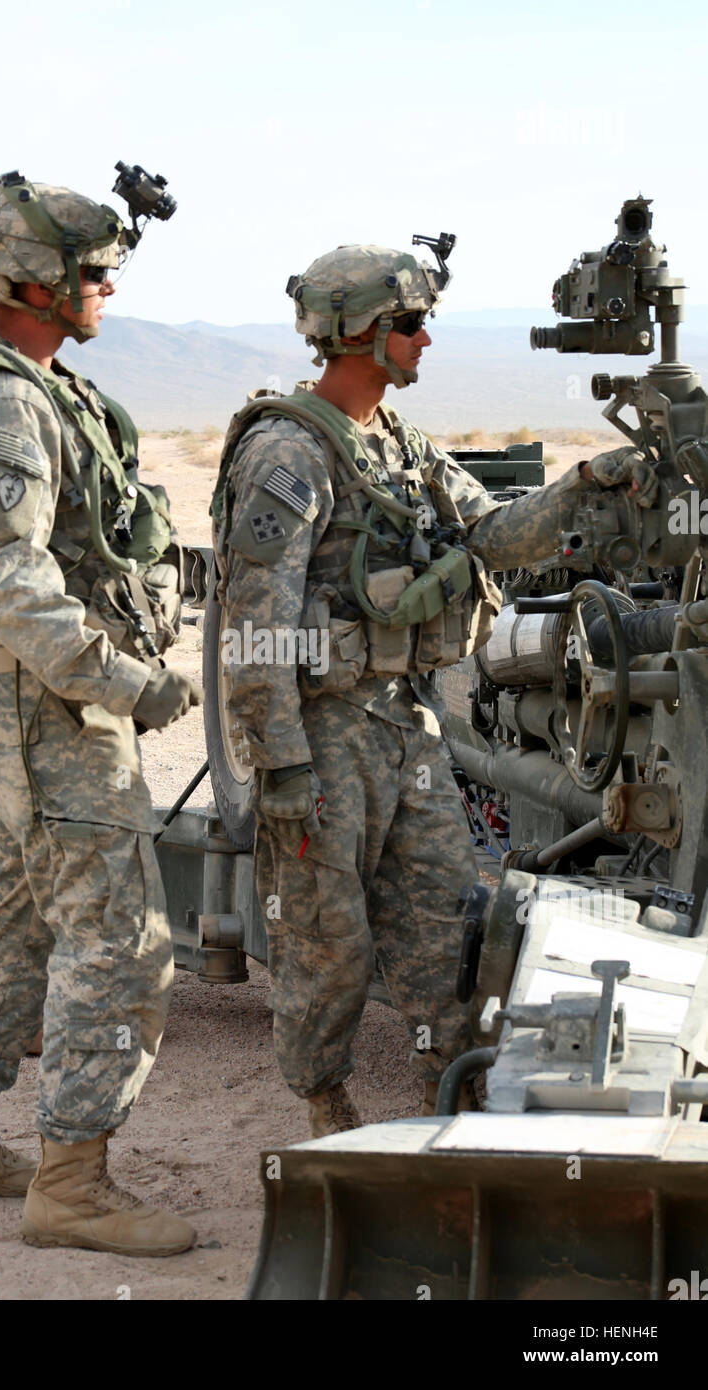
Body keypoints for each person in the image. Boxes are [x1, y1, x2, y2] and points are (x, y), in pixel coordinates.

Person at [212, 242, 657, 1136]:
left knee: (445, 921)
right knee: (325, 941)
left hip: (404, 725)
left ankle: (446, 1084)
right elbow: (250, 629)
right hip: (323, 732)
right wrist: (281, 766)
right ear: (356, 335)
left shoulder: (401, 449)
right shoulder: (288, 455)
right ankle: (324, 1107)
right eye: (409, 325)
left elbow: (492, 535)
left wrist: (579, 487)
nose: (424, 340)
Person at [0, 173, 202, 1257]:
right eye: (95, 271)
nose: (109, 288)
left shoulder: (32, 387)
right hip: (48, 705)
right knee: (119, 943)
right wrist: (129, 681)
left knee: (13, 919)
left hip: (10, 700)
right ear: (39, 280)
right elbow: (15, 587)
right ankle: (73, 1183)